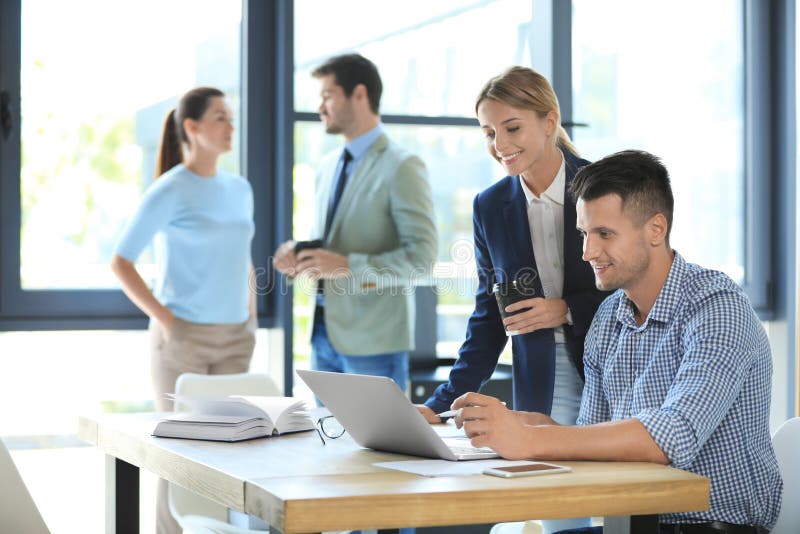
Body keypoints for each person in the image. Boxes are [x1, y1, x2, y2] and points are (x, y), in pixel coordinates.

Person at [449, 150, 783, 533]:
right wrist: (528, 425)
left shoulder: (717, 308)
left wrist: (528, 439)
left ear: (656, 229)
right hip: (632, 523)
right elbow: (592, 439)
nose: (588, 252)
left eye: (604, 234)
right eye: (583, 234)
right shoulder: (609, 319)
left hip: (709, 526)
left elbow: (670, 438)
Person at [110, 86, 257, 534]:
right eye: (220, 119)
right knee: (180, 457)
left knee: (231, 454)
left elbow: (244, 254)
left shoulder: (240, 188)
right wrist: (168, 320)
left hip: (236, 337)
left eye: (231, 118)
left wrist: (250, 312)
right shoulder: (170, 188)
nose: (230, 127)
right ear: (191, 128)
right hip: (182, 340)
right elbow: (121, 261)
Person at [273, 53, 437, 392]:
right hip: (322, 336)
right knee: (325, 443)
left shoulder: (402, 166)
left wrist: (348, 267)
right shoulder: (327, 165)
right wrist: (297, 253)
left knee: (380, 445)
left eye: (327, 96)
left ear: (359, 95)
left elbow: (422, 260)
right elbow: (334, 242)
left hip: (375, 343)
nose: (320, 107)